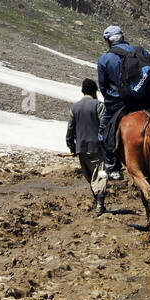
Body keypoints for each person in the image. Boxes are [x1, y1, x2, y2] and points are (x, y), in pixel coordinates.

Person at [97, 24, 150, 177]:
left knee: (102, 133)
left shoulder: (104, 59)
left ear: (108, 41)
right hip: (145, 101)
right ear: (123, 36)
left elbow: (103, 86)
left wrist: (112, 100)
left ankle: (111, 167)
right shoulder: (142, 52)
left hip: (120, 104)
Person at [66, 78, 107, 215]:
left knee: (90, 177)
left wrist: (72, 147)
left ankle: (98, 204)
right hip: (97, 147)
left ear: (83, 91)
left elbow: (70, 130)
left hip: (81, 148)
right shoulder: (99, 105)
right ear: (95, 91)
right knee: (99, 176)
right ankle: (100, 204)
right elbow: (104, 126)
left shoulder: (74, 107)